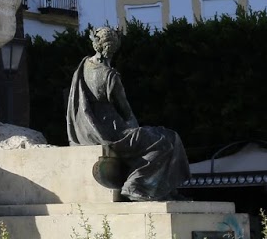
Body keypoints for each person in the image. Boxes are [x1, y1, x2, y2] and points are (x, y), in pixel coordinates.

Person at [66, 26, 190, 202]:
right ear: (115, 47)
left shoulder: (83, 66)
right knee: (166, 141)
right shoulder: (110, 76)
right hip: (113, 133)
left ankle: (161, 190)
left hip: (89, 130)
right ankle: (135, 184)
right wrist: (137, 131)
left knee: (167, 138)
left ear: (95, 44)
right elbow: (126, 111)